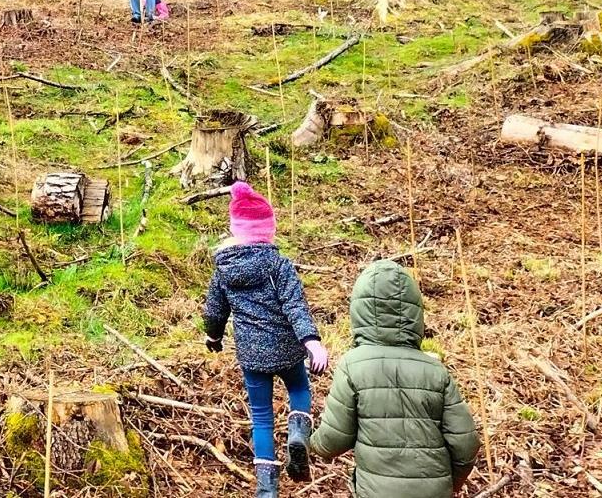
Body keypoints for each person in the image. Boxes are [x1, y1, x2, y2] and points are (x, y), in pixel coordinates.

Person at [310, 260, 481, 498]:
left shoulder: (353, 365)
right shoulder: (435, 371)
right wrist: (452, 484)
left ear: (360, 311)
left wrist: (311, 442)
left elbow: (333, 441)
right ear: (415, 313)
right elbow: (466, 444)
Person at [204, 182, 330, 497]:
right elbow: (295, 306)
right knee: (300, 389)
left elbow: (214, 311)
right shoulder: (278, 264)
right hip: (288, 349)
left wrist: (214, 337)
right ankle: (298, 433)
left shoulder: (224, 268)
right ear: (268, 230)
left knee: (261, 418)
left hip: (251, 356)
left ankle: (266, 489)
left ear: (235, 229)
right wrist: (311, 341)